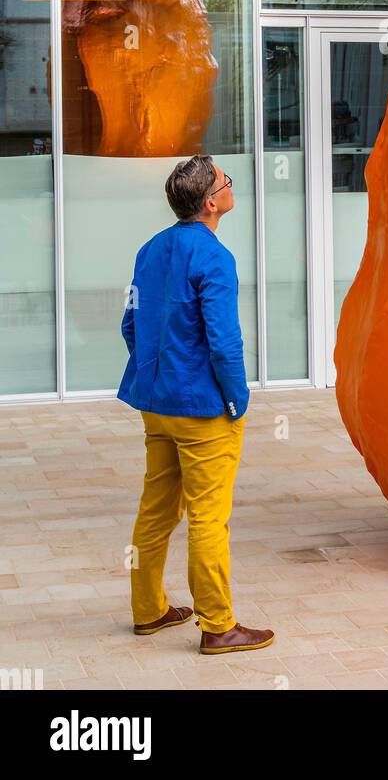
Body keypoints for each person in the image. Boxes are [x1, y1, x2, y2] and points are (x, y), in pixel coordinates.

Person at [118, 154, 274, 655]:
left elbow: (130, 323)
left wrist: (152, 374)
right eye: (226, 181)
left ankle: (148, 611)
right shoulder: (214, 257)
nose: (231, 185)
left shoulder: (150, 249)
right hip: (204, 410)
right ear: (212, 202)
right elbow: (224, 343)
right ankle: (219, 625)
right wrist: (238, 399)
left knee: (156, 508)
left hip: (155, 402)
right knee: (209, 517)